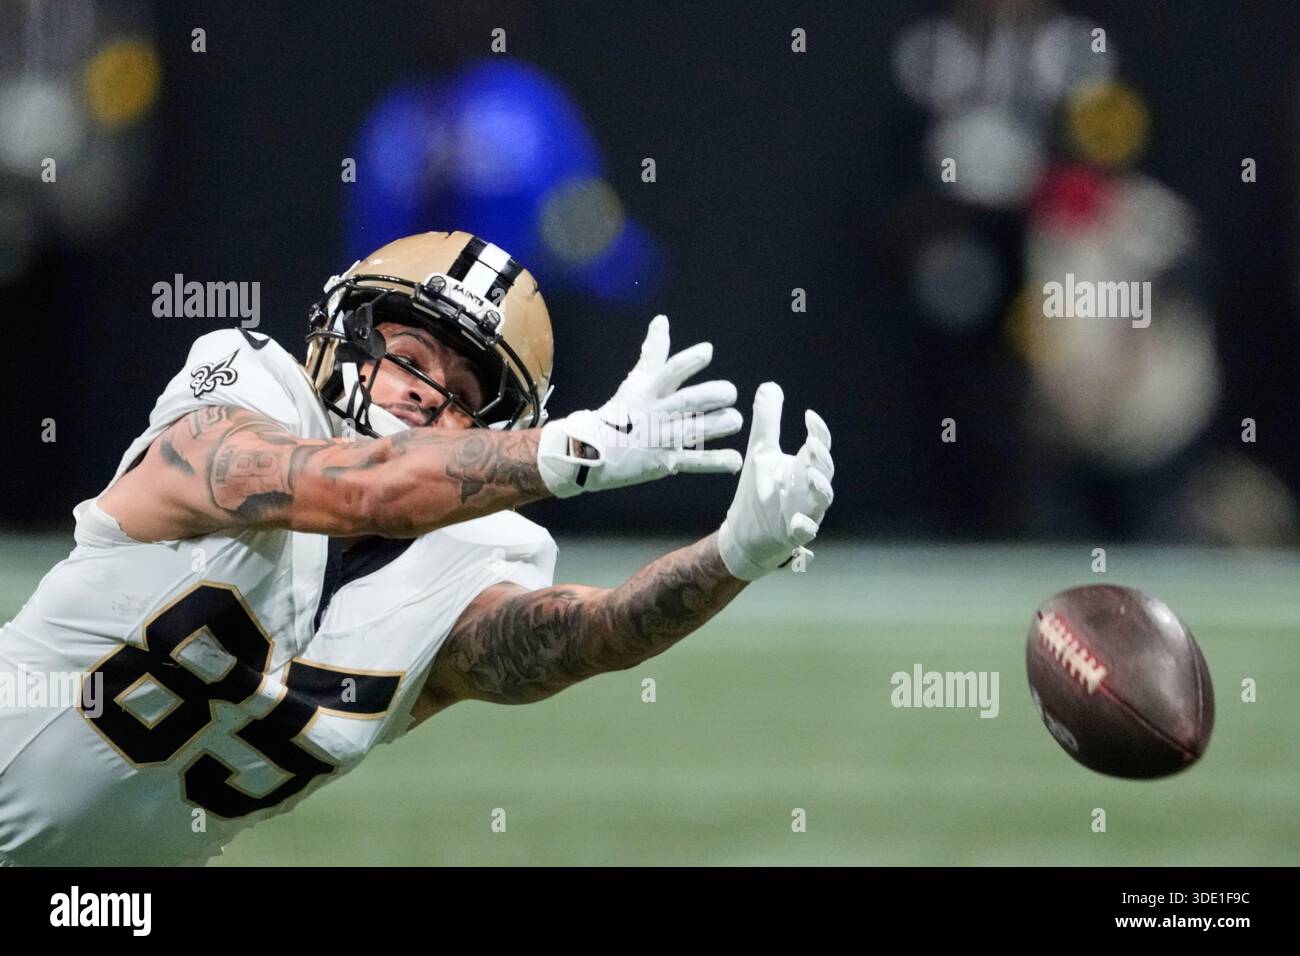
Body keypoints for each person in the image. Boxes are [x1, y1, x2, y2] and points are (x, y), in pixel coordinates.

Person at [0, 230, 834, 864]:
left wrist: (734, 555)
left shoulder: (471, 559)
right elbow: (361, 486)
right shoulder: (247, 390)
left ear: (493, 429)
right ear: (340, 333)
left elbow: (591, 633)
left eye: (464, 394)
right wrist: (574, 452)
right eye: (406, 355)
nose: (424, 394)